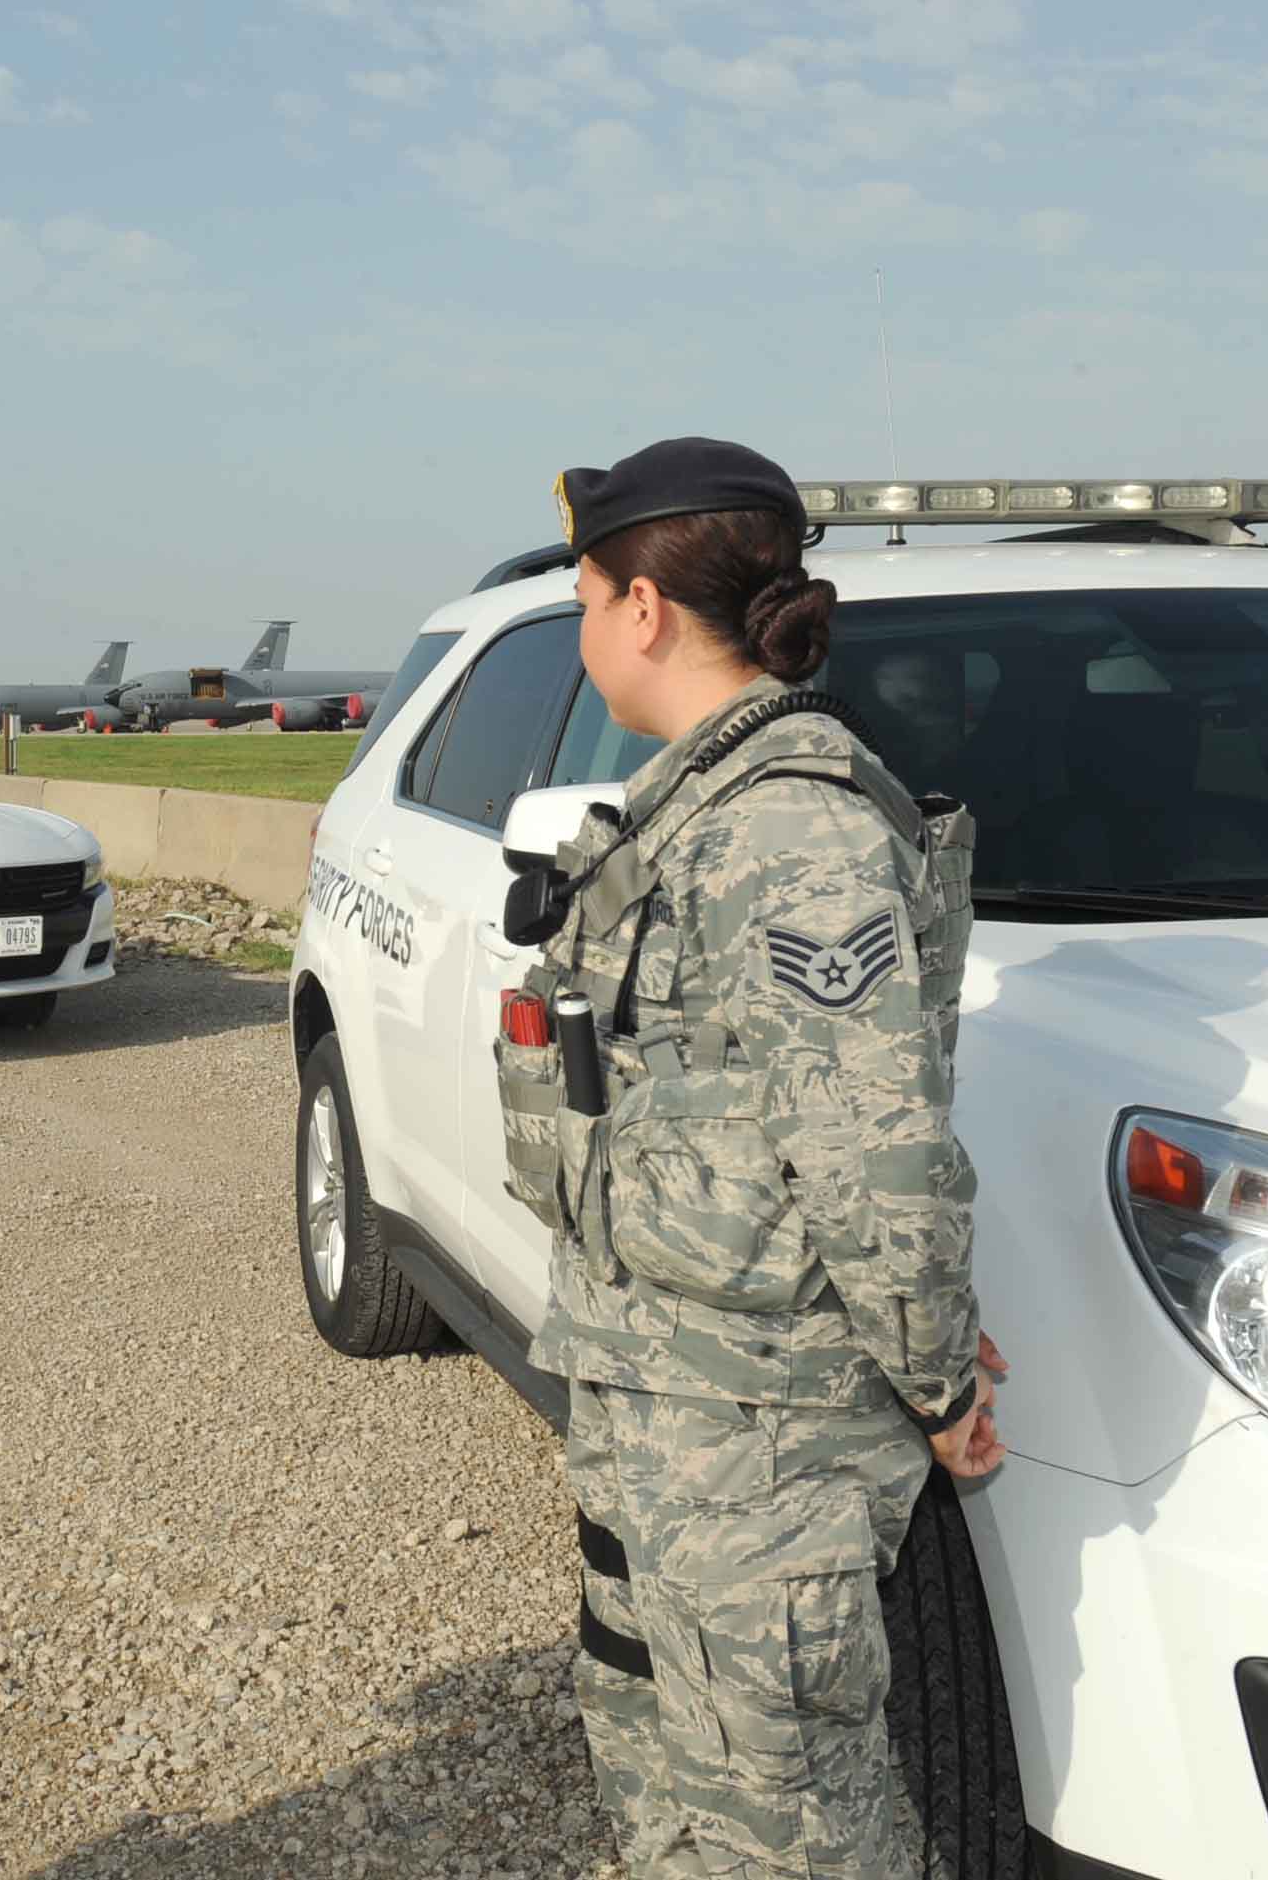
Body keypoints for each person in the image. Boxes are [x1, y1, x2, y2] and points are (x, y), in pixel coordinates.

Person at [501, 438, 1007, 1877]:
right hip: (671, 1405)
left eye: (589, 592)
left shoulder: (793, 830)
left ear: (645, 608)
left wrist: (940, 1378)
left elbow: (875, 1154)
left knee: (794, 1823)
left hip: (762, 1445)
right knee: (678, 1791)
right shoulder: (699, 806)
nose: (586, 624)